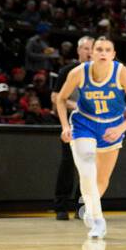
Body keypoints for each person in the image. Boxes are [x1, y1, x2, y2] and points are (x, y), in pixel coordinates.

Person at [53, 36, 126, 240]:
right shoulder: (79, 73)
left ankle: (88, 206)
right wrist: (65, 126)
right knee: (86, 166)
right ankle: (98, 219)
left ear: (113, 55)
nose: (103, 53)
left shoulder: (121, 73)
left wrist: (121, 128)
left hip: (112, 125)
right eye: (99, 49)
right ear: (91, 53)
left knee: (101, 180)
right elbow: (60, 99)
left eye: (107, 50)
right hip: (84, 123)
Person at [50, 36, 93, 220]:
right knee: (68, 164)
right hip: (71, 123)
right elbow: (55, 97)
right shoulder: (68, 71)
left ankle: (81, 207)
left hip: (92, 125)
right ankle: (61, 206)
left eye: (91, 48)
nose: (88, 51)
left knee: (88, 167)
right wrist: (77, 106)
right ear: (78, 51)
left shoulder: (101, 75)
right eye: (84, 48)